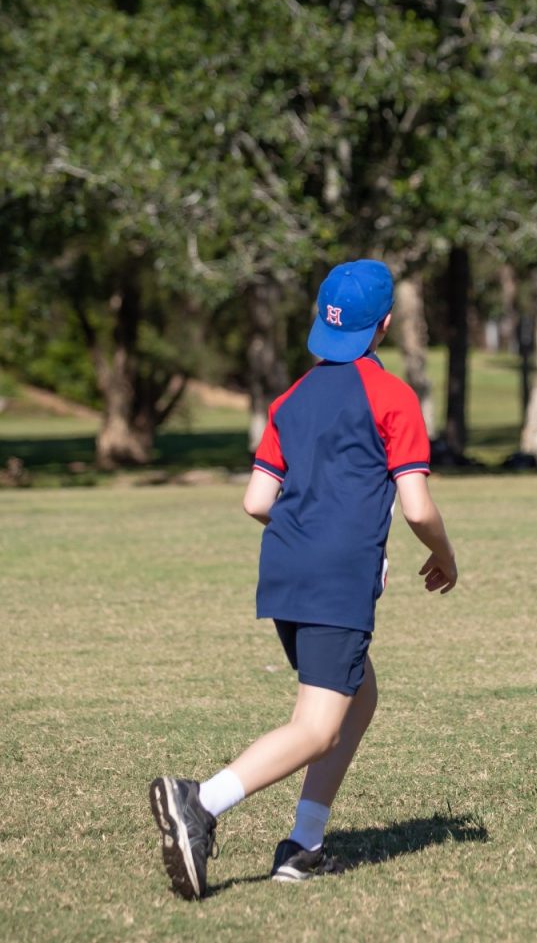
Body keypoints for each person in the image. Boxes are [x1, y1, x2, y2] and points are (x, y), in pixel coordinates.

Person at [148, 259, 459, 900]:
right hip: (335, 579)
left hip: (284, 571)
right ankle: (200, 802)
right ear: (386, 326)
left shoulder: (289, 398)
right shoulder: (392, 396)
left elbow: (257, 501)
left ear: (324, 319)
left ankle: (305, 846)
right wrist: (445, 554)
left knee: (359, 695)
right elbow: (418, 506)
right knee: (317, 725)